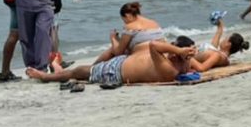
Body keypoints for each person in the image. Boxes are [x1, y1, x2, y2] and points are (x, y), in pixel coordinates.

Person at [26, 39, 198, 87]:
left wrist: (180, 51)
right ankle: (56, 67)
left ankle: (45, 76)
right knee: (81, 70)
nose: (170, 50)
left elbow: (154, 45)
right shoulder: (185, 65)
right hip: (122, 62)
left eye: (174, 50)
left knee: (78, 71)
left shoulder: (169, 68)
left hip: (114, 72)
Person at [93, 2, 164, 63]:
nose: (125, 23)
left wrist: (113, 38)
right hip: (158, 53)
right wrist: (119, 40)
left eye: (124, 20)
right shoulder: (154, 23)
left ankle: (93, 68)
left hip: (141, 56)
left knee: (112, 49)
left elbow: (118, 52)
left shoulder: (130, 27)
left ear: (127, 16)